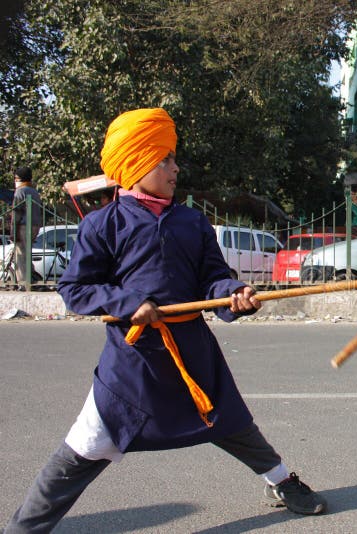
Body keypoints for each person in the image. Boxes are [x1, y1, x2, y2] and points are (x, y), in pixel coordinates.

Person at [5, 108, 326, 533]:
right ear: (136, 164)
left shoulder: (192, 222)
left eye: (173, 159)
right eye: (165, 160)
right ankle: (23, 528)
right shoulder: (103, 225)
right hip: (133, 363)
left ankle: (282, 482)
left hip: (192, 350)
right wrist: (126, 302)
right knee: (86, 446)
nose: (175, 169)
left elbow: (212, 278)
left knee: (231, 422)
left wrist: (232, 295)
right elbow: (76, 289)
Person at [12, 166, 43, 289]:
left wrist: (14, 230)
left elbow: (17, 212)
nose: (15, 181)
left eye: (16, 178)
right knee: (27, 254)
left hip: (24, 226)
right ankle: (31, 278)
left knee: (20, 256)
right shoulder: (34, 191)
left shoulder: (20, 191)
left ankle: (24, 283)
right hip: (35, 225)